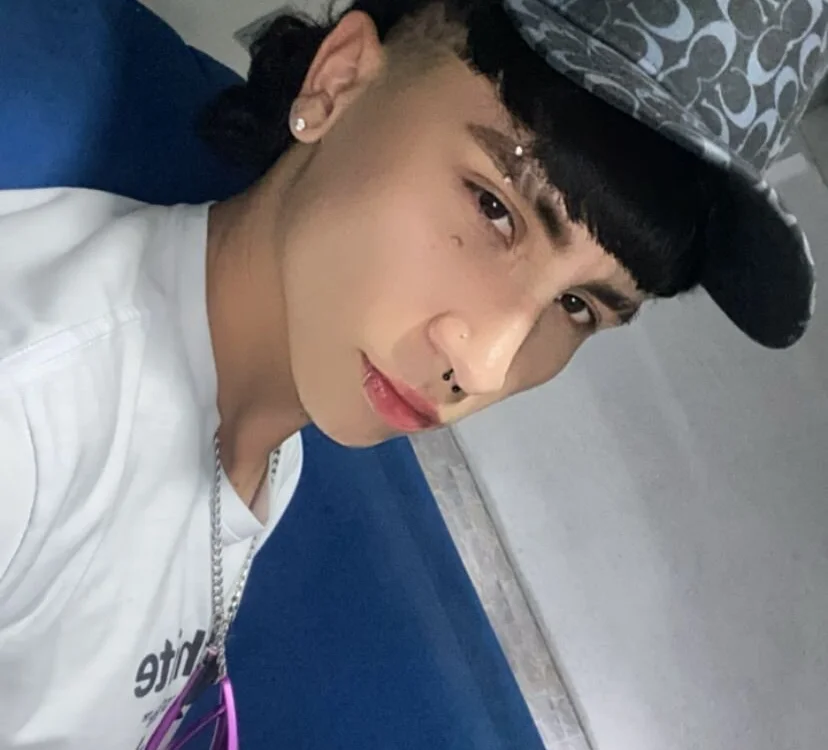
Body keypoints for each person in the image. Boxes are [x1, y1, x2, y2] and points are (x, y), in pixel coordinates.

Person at [0, 0, 823, 747]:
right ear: (339, 81)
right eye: (492, 207)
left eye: (576, 307)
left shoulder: (272, 445)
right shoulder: (31, 414)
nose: (484, 364)